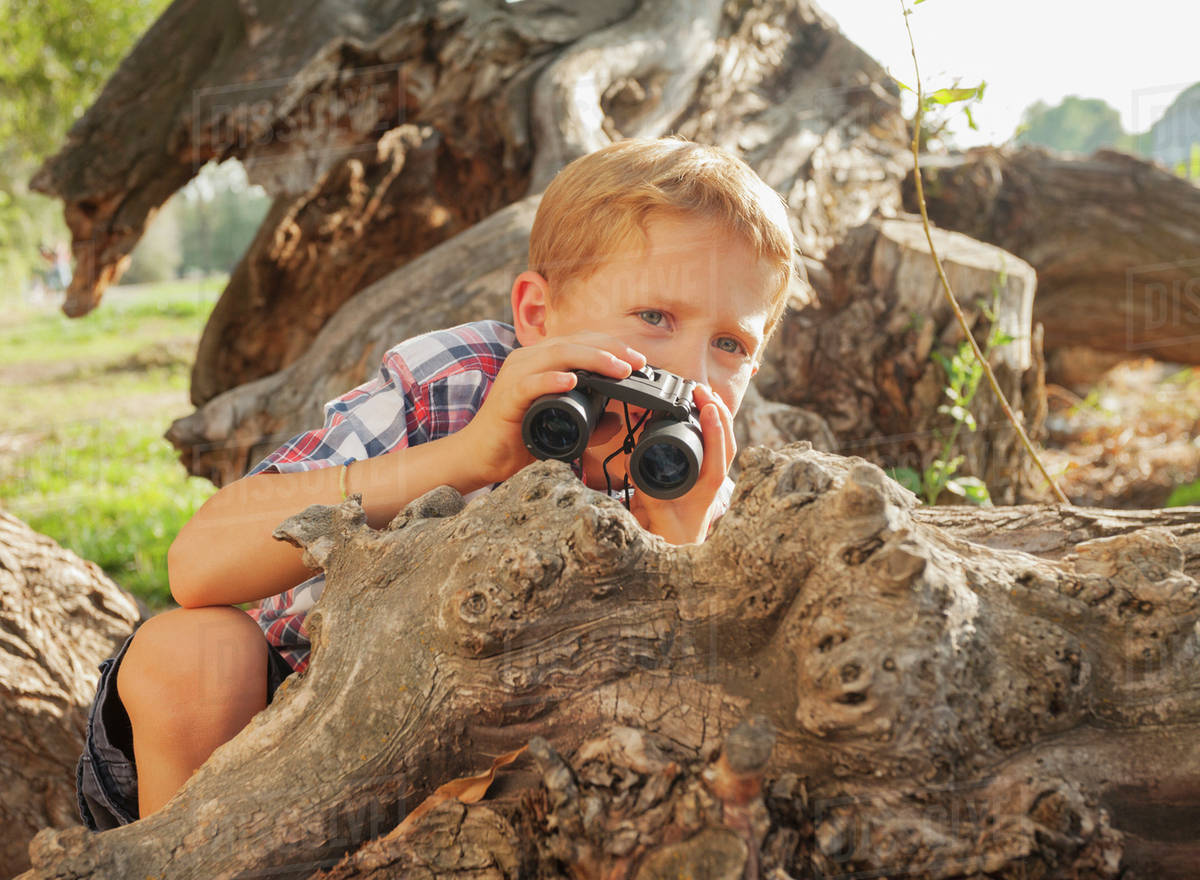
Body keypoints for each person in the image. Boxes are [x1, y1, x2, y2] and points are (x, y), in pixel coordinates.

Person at [75, 137, 796, 829]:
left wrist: (677, 549)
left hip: (463, 767)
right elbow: (195, 565)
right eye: (654, 317)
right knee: (193, 649)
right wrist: (467, 455)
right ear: (538, 316)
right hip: (280, 717)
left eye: (730, 344)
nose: (692, 371)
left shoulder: (698, 480)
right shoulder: (457, 382)